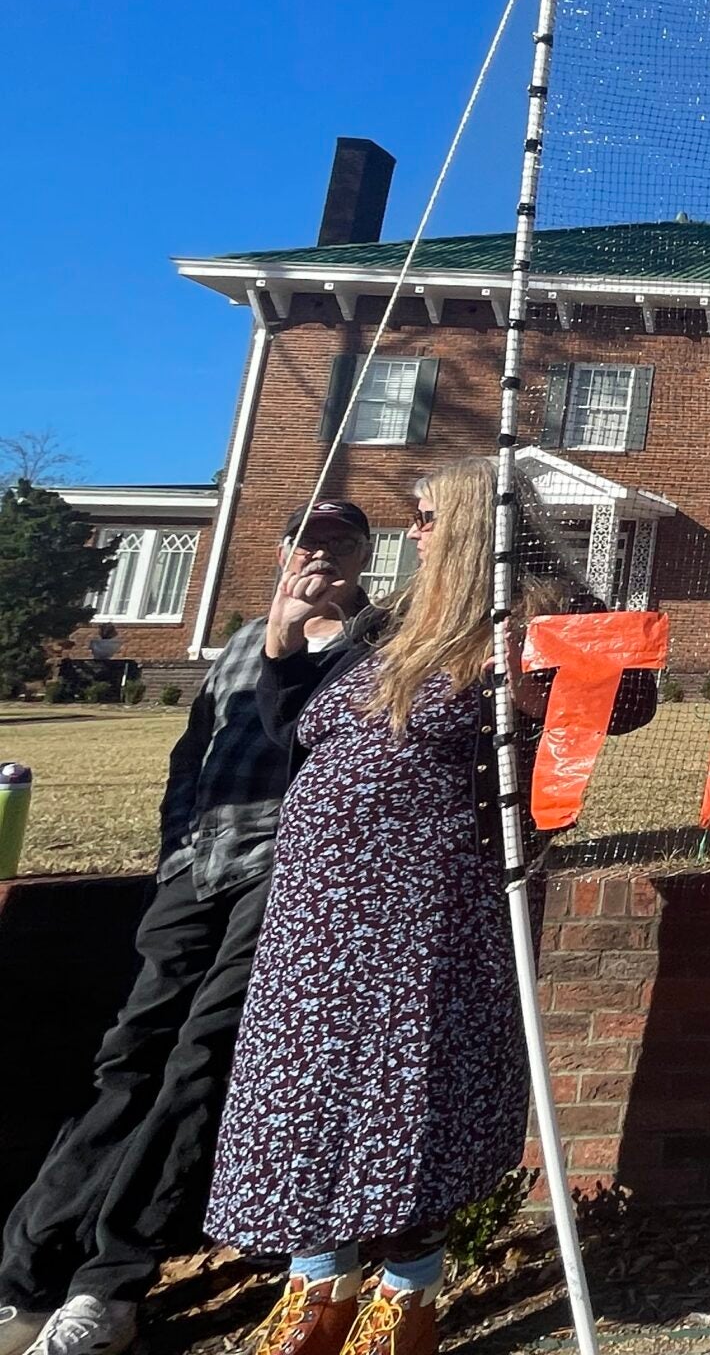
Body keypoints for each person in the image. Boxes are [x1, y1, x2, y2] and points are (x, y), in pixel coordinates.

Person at [0, 504, 376, 1355]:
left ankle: (111, 1284)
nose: (319, 557)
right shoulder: (244, 639)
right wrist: (177, 846)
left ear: (362, 561)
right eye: (306, 542)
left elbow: (330, 751)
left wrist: (300, 641)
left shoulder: (366, 646)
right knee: (129, 1056)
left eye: (340, 545)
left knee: (200, 1061)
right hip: (199, 868)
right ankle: (24, 1274)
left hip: (283, 870)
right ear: (284, 551)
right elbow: (195, 749)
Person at [203, 461, 539, 1355]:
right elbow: (291, 730)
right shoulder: (384, 622)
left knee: (412, 1091)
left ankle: (406, 1301)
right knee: (308, 1087)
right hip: (319, 909)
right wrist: (281, 638)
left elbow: (628, 696)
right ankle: (318, 1288)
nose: (414, 532)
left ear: (473, 523)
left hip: (432, 903)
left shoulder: (518, 624)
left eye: (427, 517)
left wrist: (542, 662)